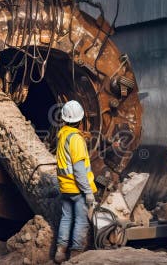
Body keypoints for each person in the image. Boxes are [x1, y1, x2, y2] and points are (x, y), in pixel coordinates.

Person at [53, 100, 97, 263]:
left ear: (64, 119)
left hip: (65, 188)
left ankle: (60, 251)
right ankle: (76, 256)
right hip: (78, 189)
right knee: (81, 221)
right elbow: (79, 171)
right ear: (80, 120)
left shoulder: (62, 135)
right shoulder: (76, 140)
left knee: (66, 219)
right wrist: (88, 192)